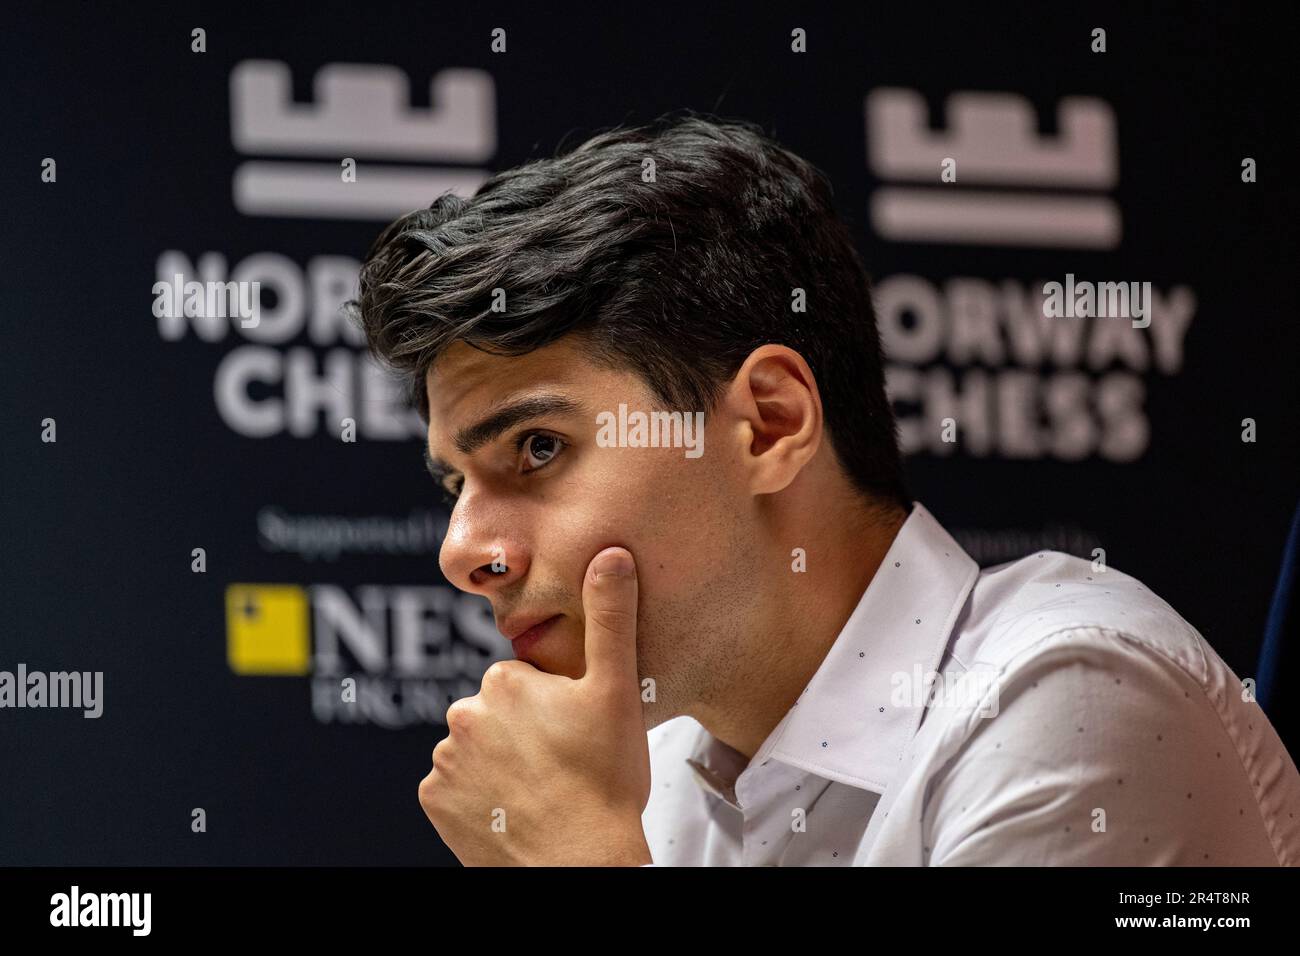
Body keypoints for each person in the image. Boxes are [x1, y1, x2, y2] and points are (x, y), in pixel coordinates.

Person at [350, 112, 1300, 866]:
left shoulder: (1070, 700)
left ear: (768, 423)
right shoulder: (660, 781)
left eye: (539, 448)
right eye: (453, 483)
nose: (463, 551)